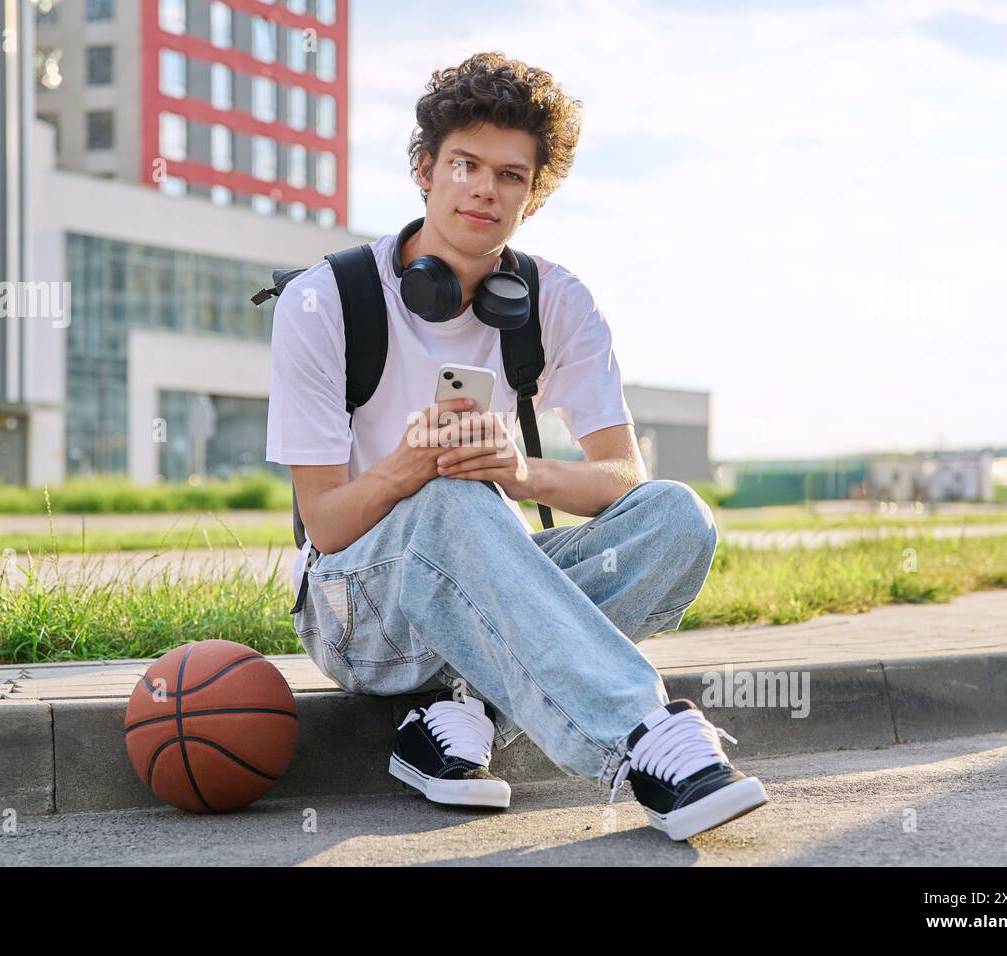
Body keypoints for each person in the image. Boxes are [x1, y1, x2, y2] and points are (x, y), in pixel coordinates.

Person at [264, 52, 767, 841]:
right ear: (425, 169)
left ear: (533, 197)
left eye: (509, 175)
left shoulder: (558, 301)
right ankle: (646, 740)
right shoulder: (322, 301)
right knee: (452, 496)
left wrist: (522, 470)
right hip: (358, 612)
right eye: (463, 164)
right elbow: (324, 524)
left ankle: (455, 716)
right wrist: (408, 470)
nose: (483, 189)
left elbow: (622, 479)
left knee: (678, 517)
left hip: (489, 575)